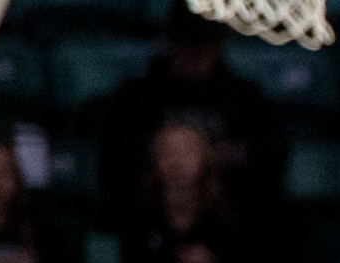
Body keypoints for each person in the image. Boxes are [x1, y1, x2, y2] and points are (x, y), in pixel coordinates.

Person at [98, 2, 286, 225]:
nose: (192, 57)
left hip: (231, 220)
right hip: (152, 221)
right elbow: (115, 163)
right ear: (171, 44)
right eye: (185, 46)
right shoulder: (138, 97)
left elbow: (272, 154)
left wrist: (233, 155)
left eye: (201, 48)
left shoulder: (243, 98)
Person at [119, 122, 243, 263]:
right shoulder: (140, 219)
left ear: (205, 159)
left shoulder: (224, 219)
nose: (177, 162)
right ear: (153, 162)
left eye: (186, 151)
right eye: (167, 153)